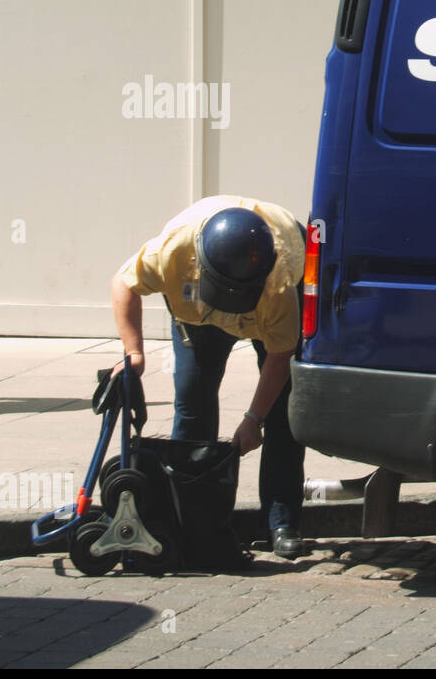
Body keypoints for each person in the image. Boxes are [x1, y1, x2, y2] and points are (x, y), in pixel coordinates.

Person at [110, 195, 308, 559]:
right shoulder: (172, 252)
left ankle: (281, 523)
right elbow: (123, 284)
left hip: (266, 295)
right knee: (193, 402)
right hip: (196, 312)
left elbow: (279, 357)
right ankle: (189, 519)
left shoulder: (279, 282)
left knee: (283, 413)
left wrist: (253, 419)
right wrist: (134, 352)